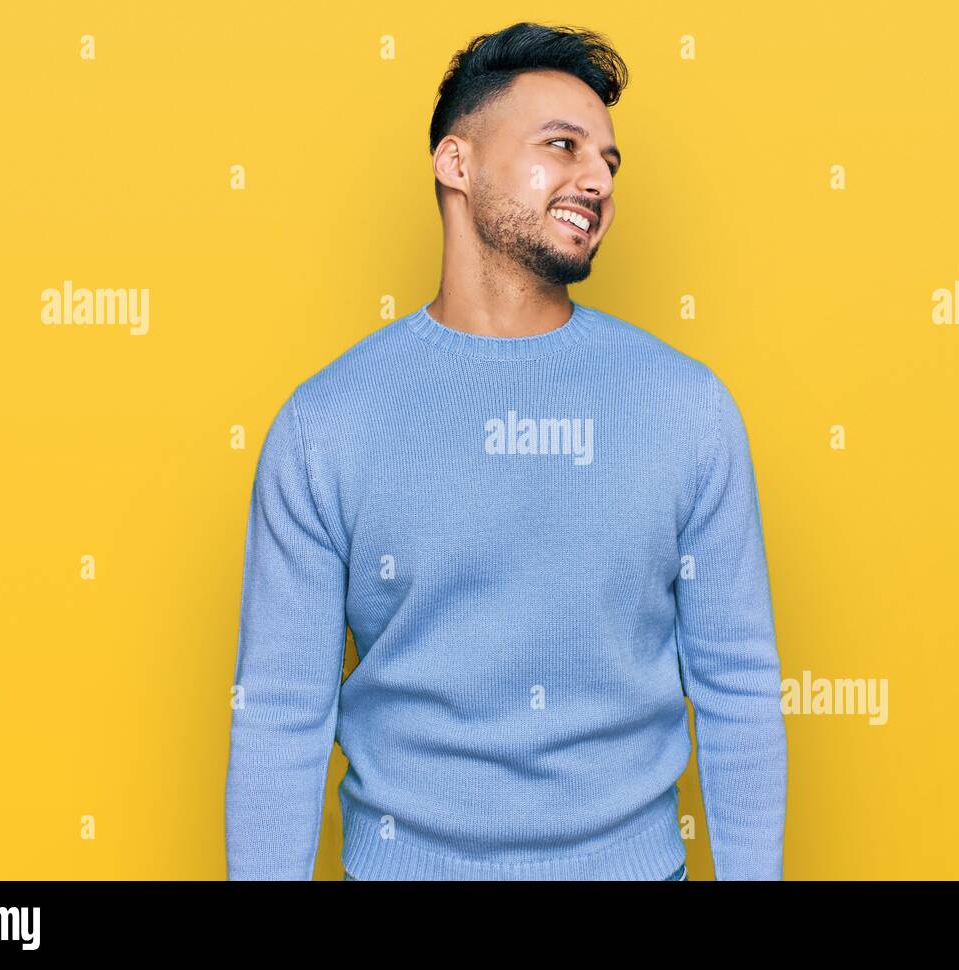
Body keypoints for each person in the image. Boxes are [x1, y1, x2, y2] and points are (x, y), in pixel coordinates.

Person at [224, 21, 787, 881]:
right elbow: (279, 716)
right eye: (561, 146)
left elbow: (740, 691)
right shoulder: (326, 424)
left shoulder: (687, 409)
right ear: (456, 163)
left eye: (607, 160)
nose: (595, 178)